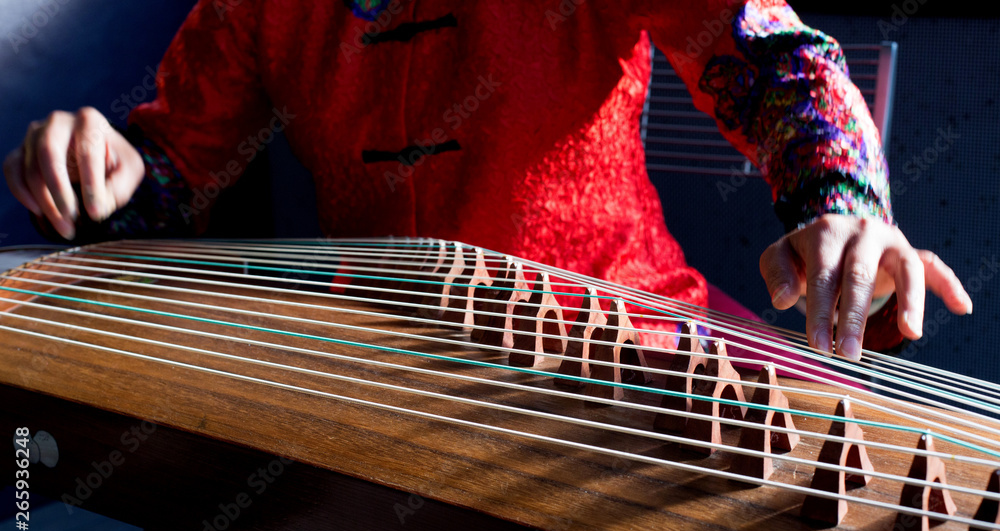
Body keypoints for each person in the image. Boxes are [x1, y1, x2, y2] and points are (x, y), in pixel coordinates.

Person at [2, 0, 973, 360]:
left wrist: (838, 203)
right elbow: (172, 179)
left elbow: (772, 58)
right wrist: (104, 174)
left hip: (624, 330)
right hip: (388, 352)